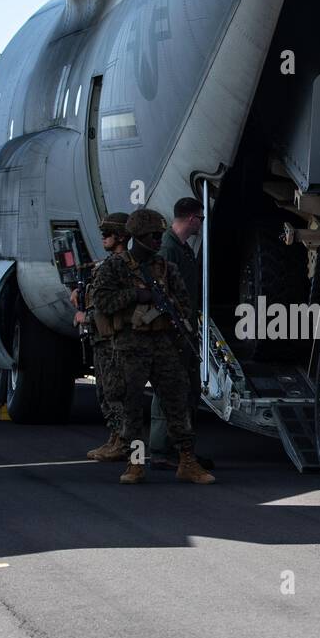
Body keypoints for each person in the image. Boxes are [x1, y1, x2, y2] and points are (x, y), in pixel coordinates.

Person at [93, 207, 216, 485]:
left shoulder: (166, 268)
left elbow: (184, 305)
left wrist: (170, 311)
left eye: (160, 236)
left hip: (163, 345)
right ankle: (135, 464)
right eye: (152, 236)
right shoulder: (115, 267)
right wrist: (137, 295)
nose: (158, 241)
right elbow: (102, 302)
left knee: (177, 403)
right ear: (137, 237)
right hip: (130, 346)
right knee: (132, 409)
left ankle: (187, 461)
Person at [149, 196, 208, 469]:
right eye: (201, 218)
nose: (202, 223)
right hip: (172, 332)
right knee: (169, 388)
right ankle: (162, 449)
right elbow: (160, 292)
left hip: (186, 330)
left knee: (189, 390)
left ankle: (182, 449)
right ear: (192, 218)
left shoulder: (182, 249)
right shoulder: (167, 249)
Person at [82, 211, 131, 462]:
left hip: (112, 338)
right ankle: (115, 437)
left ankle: (123, 442)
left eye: (106, 234)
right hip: (102, 338)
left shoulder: (121, 265)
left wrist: (86, 318)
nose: (102, 239)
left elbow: (112, 304)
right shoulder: (112, 263)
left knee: (114, 391)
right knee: (105, 391)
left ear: (120, 236)